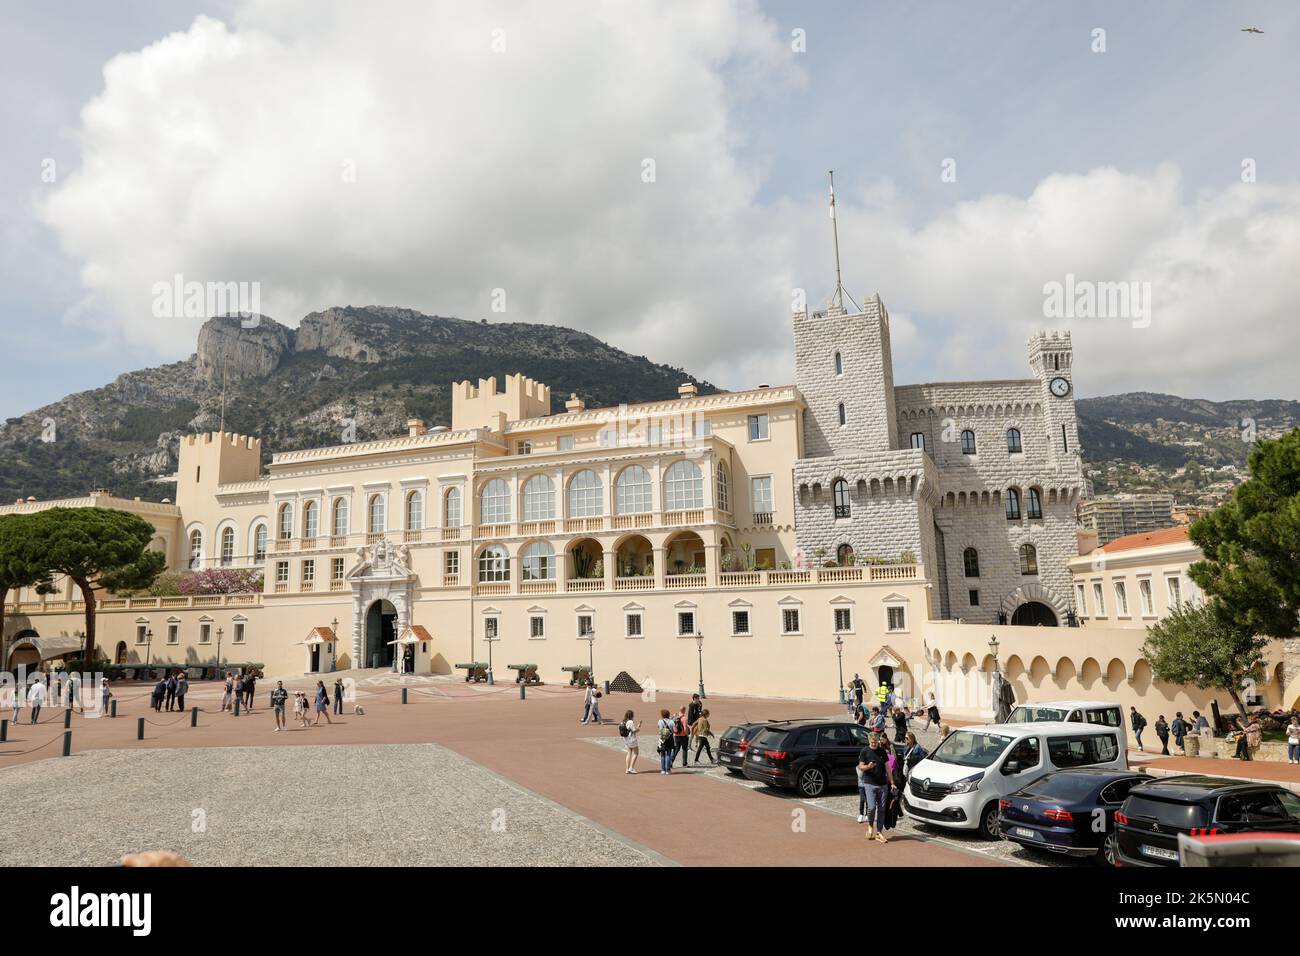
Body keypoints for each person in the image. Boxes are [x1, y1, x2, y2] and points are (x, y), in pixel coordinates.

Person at [858, 731, 890, 843]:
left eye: (875, 742)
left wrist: (892, 781)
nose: (873, 744)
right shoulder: (865, 751)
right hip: (869, 783)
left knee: (882, 809)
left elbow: (887, 768)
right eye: (872, 742)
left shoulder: (882, 752)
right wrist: (868, 766)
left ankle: (879, 832)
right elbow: (861, 767)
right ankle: (870, 826)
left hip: (882, 785)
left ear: (878, 742)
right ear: (869, 741)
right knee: (871, 808)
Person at [621, 709, 643, 774]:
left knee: (629, 753)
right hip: (632, 739)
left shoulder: (623, 722)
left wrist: (638, 726)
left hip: (626, 739)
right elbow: (634, 730)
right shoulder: (630, 722)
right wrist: (638, 729)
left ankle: (627, 769)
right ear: (631, 716)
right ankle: (631, 768)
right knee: (636, 753)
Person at [656, 708, 675, 774]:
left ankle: (663, 770)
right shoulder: (671, 721)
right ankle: (668, 770)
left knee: (662, 754)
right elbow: (675, 730)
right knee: (668, 754)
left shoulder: (660, 721)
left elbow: (658, 727)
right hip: (670, 738)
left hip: (662, 739)